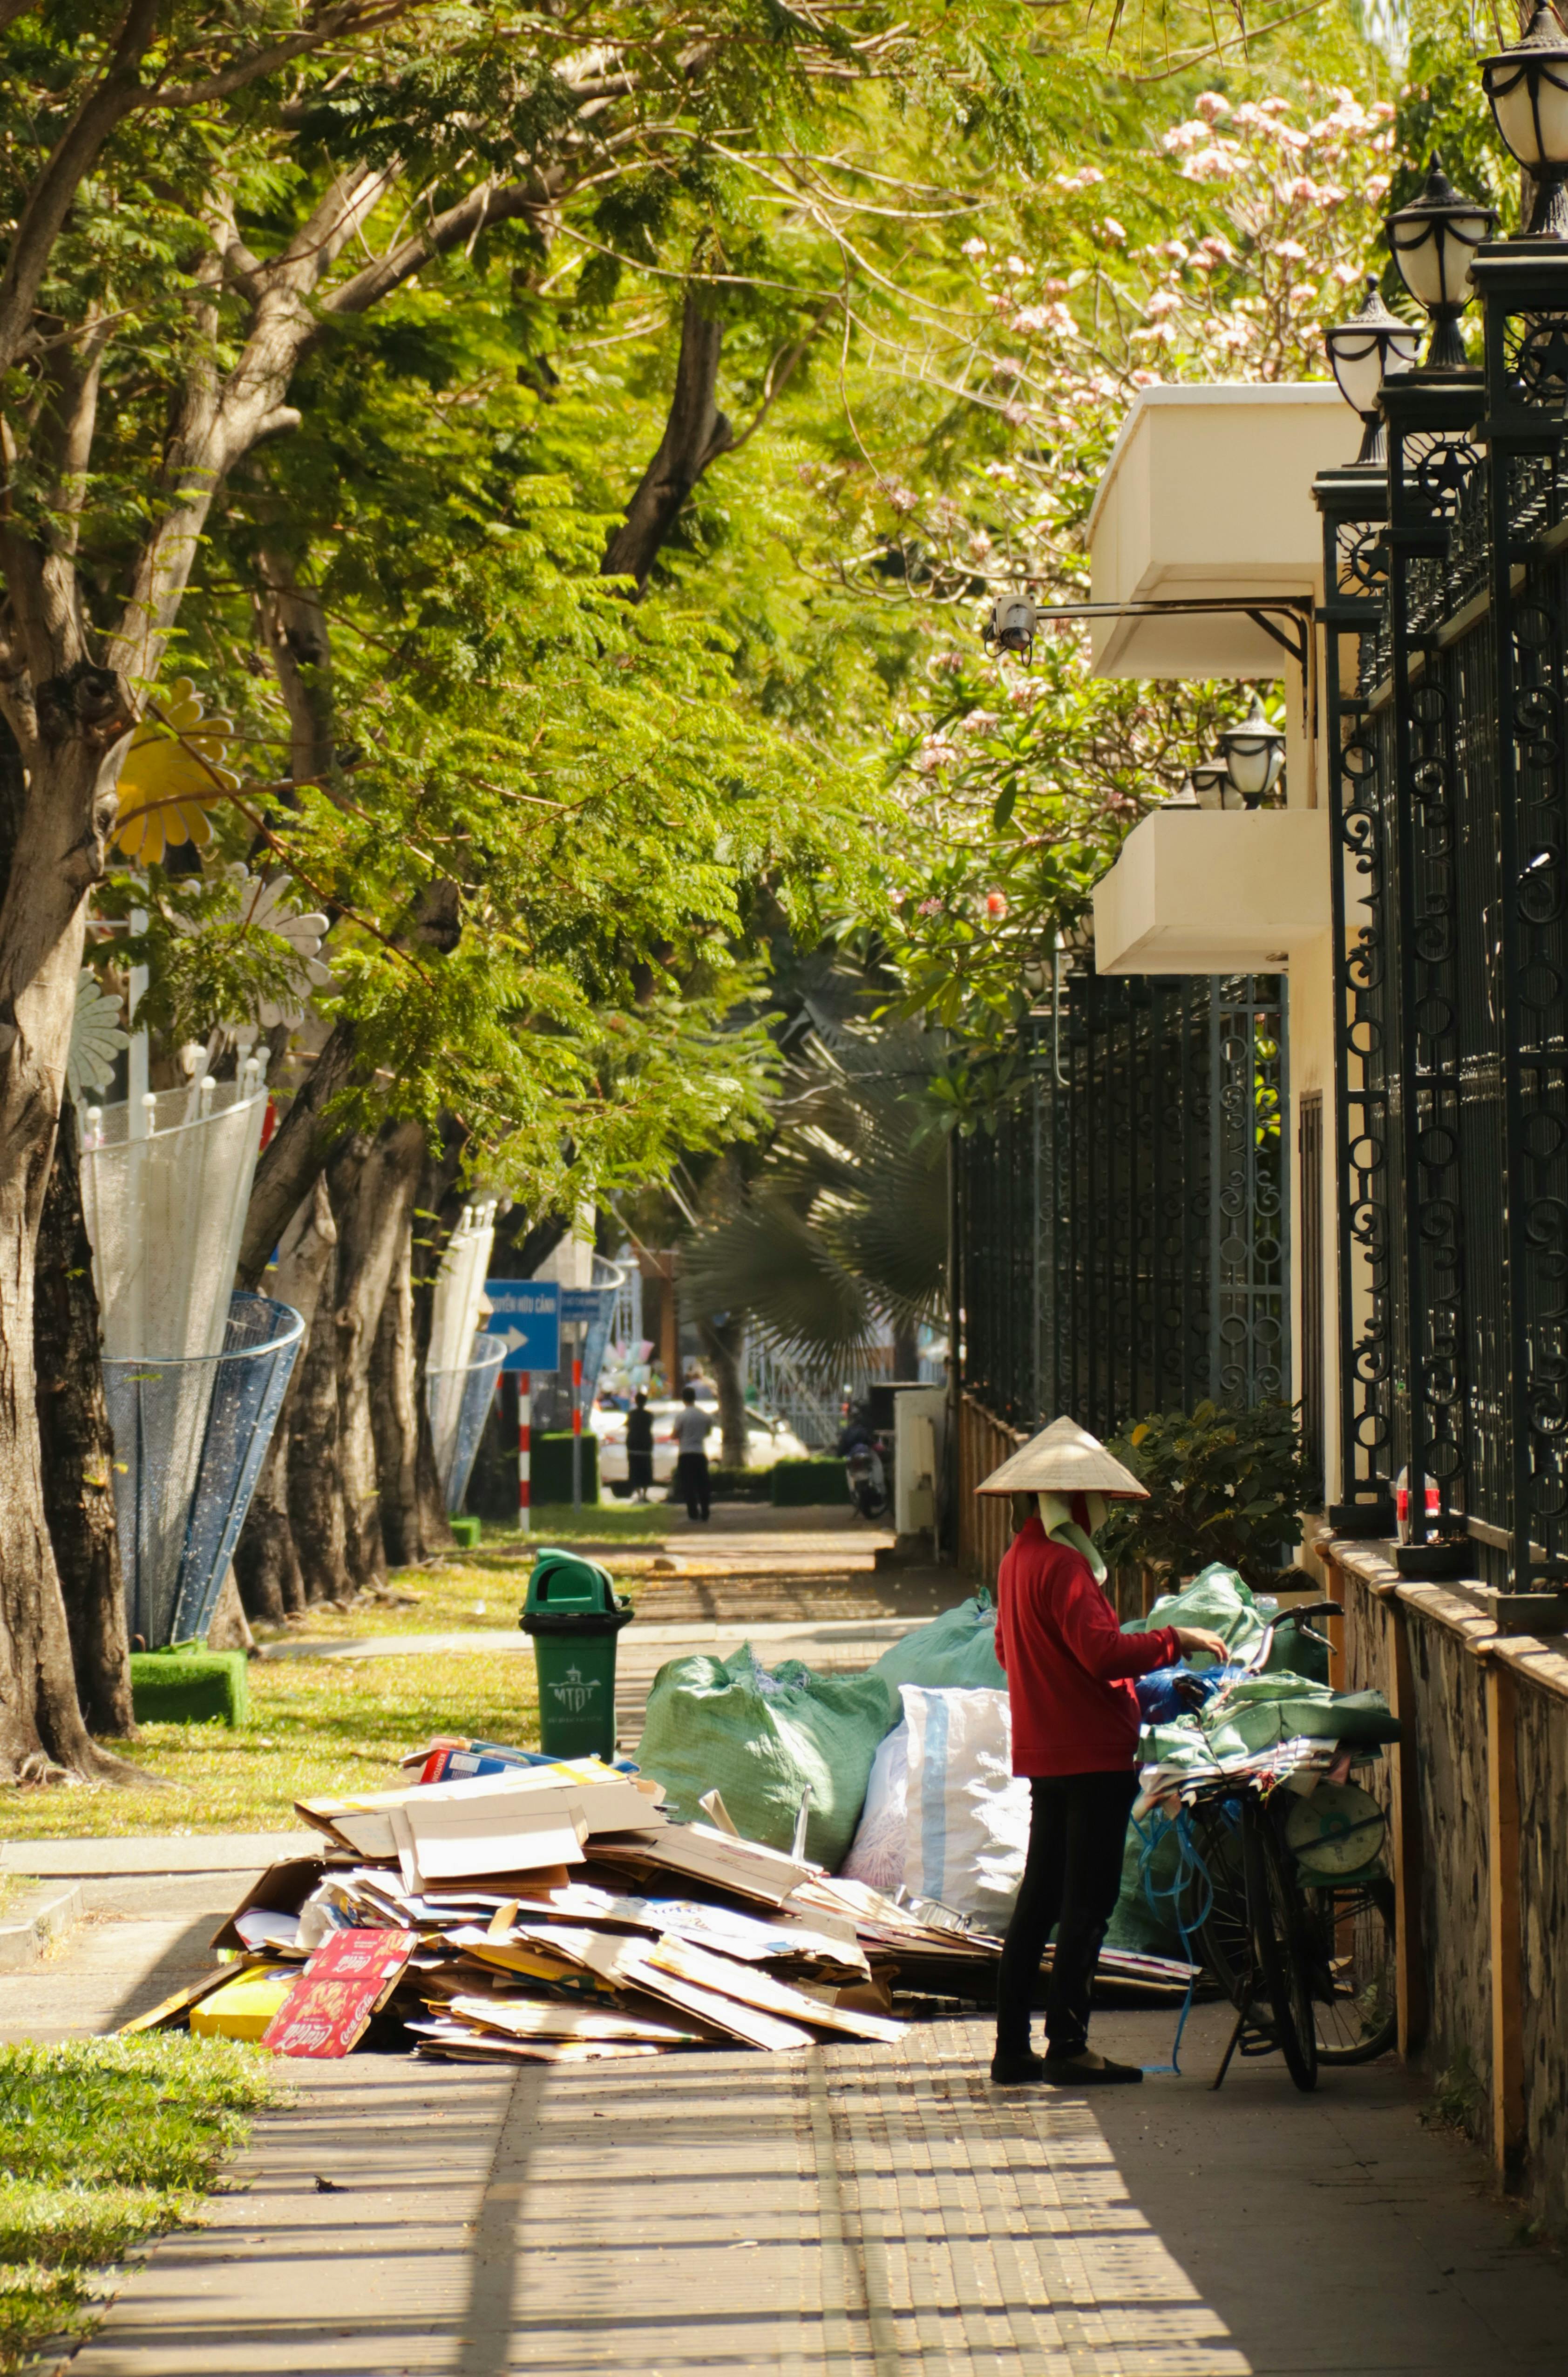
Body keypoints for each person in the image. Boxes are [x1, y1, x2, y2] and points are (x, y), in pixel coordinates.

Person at [977, 1416, 1229, 2088]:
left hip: (1045, 1753)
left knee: (1039, 1901)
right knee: (1086, 1904)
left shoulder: (1016, 1561)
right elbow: (1099, 1652)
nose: (1102, 1516)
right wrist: (1177, 1638)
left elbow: (1007, 1650)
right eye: (1097, 1503)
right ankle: (1068, 2046)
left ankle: (1010, 2049)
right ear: (1070, 1501)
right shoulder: (1061, 1565)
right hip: (1091, 1758)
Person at [672, 1385, 713, 1522]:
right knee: (703, 1484)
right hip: (700, 1452)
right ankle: (706, 1511)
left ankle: (693, 1513)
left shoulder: (682, 1416)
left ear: (683, 1399)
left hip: (685, 1453)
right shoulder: (704, 1415)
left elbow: (675, 1434)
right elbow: (708, 1432)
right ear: (695, 1398)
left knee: (688, 1485)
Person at [625, 1389, 654, 1503]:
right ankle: (645, 1495)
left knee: (634, 1469)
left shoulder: (631, 1415)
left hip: (633, 1445)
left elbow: (628, 1426)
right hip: (646, 1445)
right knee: (646, 1469)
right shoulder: (649, 1416)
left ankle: (639, 1495)